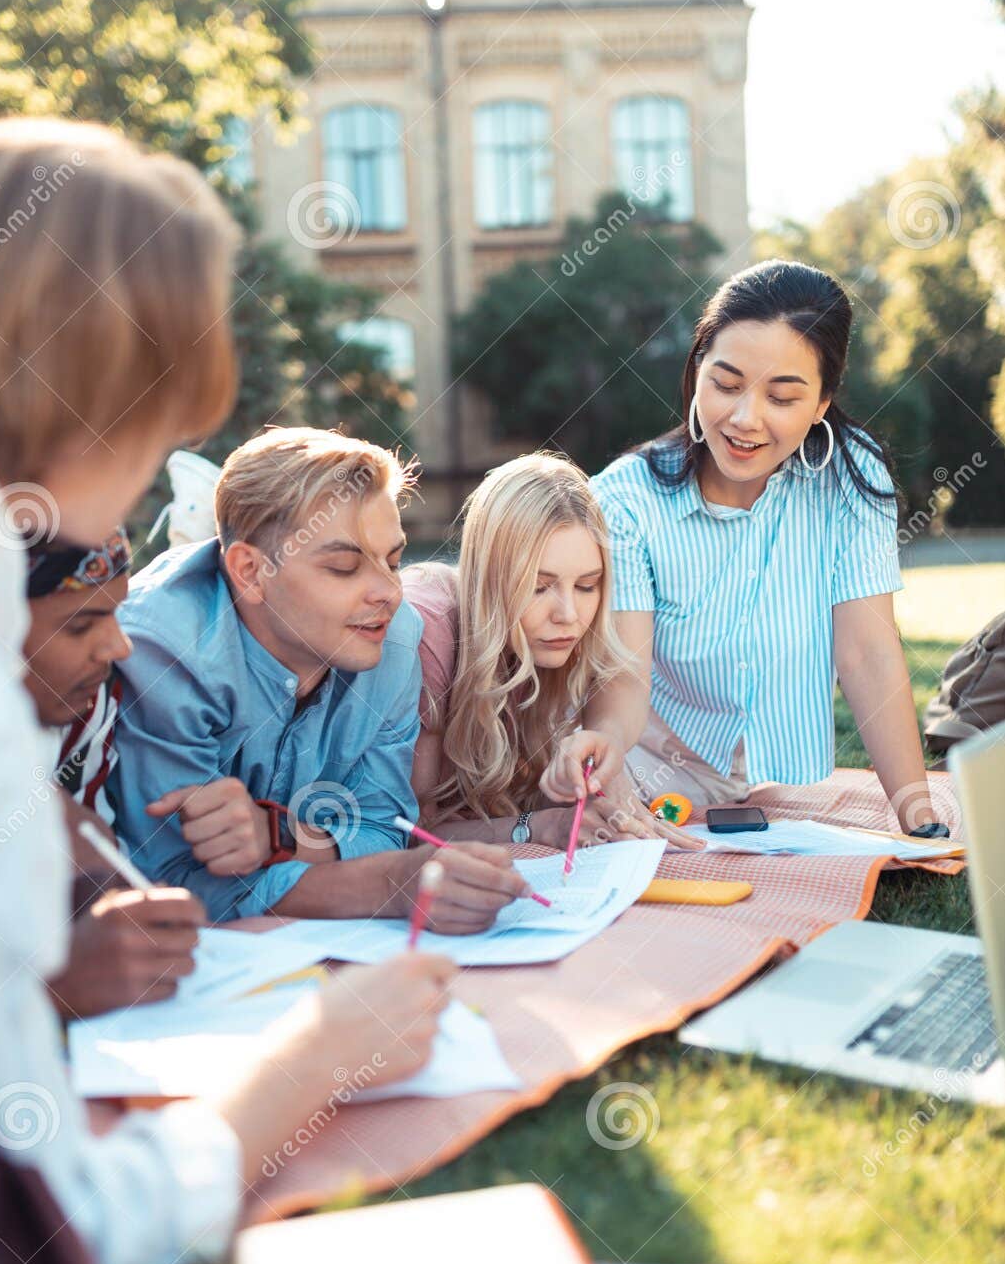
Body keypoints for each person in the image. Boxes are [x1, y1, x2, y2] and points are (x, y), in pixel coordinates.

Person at [0, 116, 454, 1264]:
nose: (153, 468)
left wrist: (299, 836)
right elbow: (50, 1243)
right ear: (92, 399)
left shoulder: (379, 642)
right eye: (158, 423)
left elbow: (386, 813)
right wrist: (312, 1063)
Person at [540, 259, 948, 839]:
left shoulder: (853, 479)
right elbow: (626, 673)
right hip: (639, 766)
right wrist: (603, 744)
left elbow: (868, 653)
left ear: (823, 403)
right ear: (696, 369)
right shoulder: (625, 501)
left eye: (783, 398)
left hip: (756, 783)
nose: (745, 418)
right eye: (726, 385)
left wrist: (914, 807)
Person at [109, 427, 531, 932]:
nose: (389, 593)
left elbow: (383, 826)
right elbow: (167, 886)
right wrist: (389, 884)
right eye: (344, 567)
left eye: (394, 561)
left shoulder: (393, 637)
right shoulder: (163, 650)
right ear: (249, 571)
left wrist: (281, 836)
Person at [402, 454, 701, 849]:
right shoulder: (429, 634)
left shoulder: (551, 650)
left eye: (587, 585)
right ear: (489, 576)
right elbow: (407, 833)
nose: (569, 615)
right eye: (539, 587)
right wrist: (538, 827)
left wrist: (593, 793)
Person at [23, 527, 208, 1020]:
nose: (119, 647)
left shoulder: (79, 707)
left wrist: (107, 901)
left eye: (116, 614)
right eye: (82, 625)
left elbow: (90, 862)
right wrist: (53, 989)